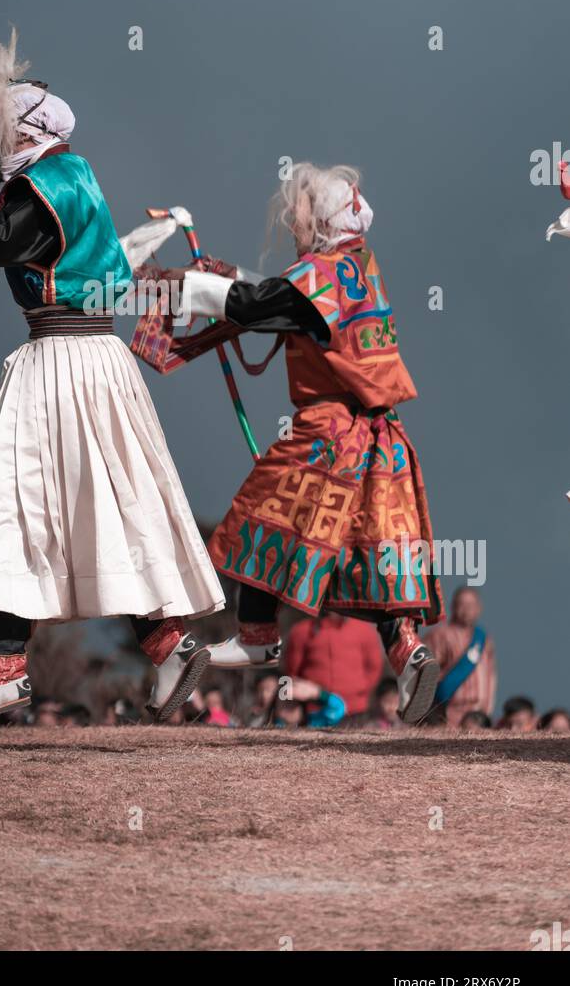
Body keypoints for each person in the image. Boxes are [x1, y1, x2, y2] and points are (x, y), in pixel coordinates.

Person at [0, 32, 224, 724]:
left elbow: (0, 239)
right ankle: (164, 645)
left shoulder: (45, 184)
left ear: (23, 129)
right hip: (94, 361)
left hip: (62, 360)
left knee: (19, 499)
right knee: (93, 507)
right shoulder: (75, 174)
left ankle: (8, 670)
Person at [174, 163, 443, 724]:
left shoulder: (315, 276)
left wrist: (189, 286)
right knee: (368, 551)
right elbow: (282, 304)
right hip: (383, 436)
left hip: (330, 436)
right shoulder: (361, 266)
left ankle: (258, 634)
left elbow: (254, 305)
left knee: (260, 514)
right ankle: (406, 649)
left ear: (318, 220)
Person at [283, 612, 384, 723]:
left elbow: (374, 667)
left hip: (354, 710)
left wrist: (357, 691)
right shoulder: (301, 630)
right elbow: (292, 670)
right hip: (315, 711)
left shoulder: (364, 629)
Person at [424, 586, 496, 727]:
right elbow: (426, 672)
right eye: (461, 604)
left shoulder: (484, 638)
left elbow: (491, 676)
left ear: (478, 608)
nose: (466, 609)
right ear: (453, 607)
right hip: (450, 713)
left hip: (479, 714)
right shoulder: (440, 635)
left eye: (470, 605)